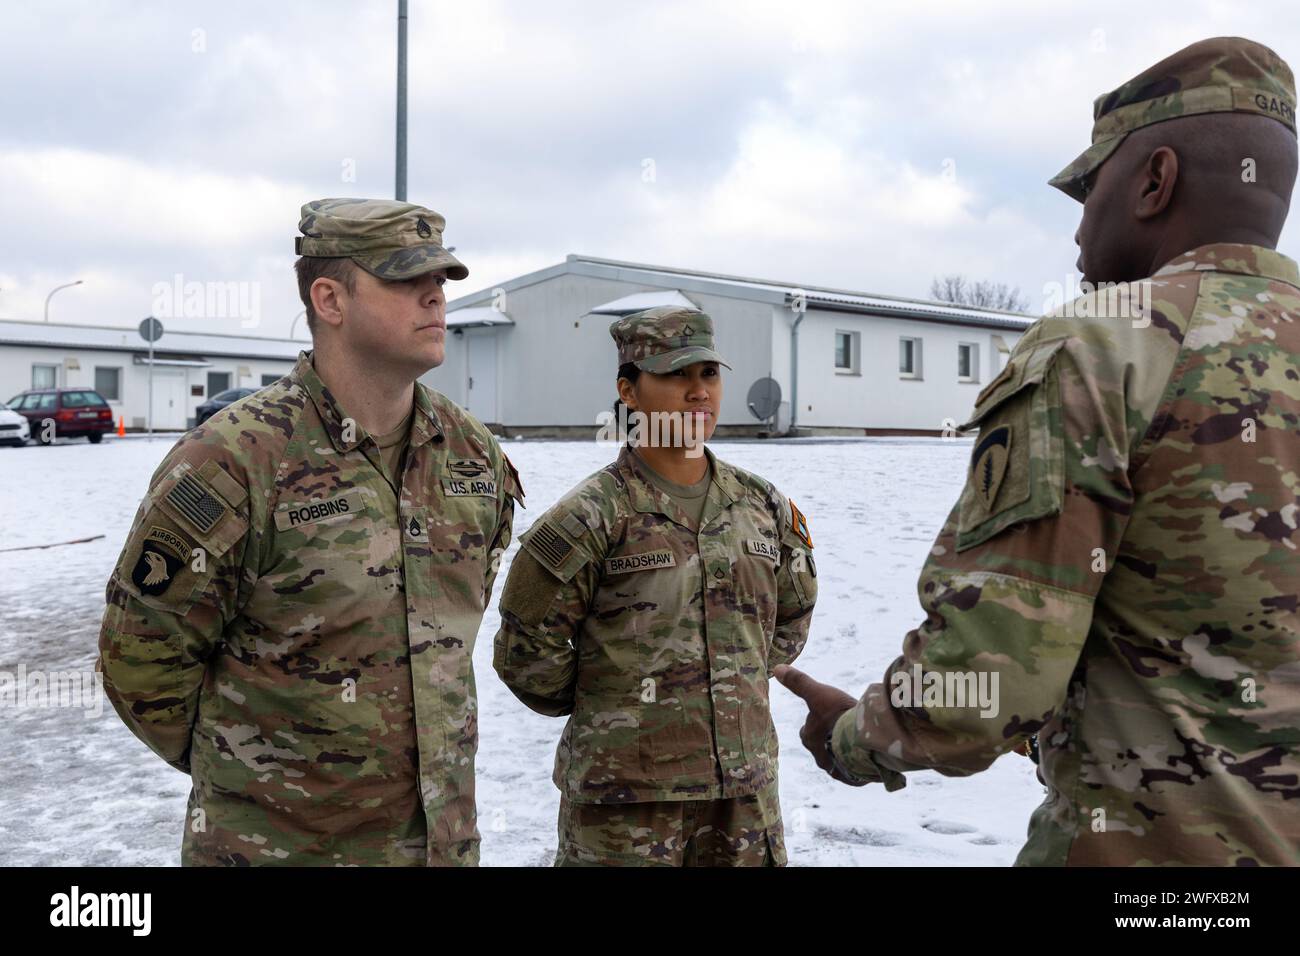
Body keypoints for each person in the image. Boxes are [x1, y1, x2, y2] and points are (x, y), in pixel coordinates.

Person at [777, 36, 1300, 866]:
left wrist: (851, 737)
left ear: (1155, 181)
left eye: (1090, 193)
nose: (1080, 228)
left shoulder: (1103, 347)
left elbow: (989, 679)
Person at [98, 198, 523, 866]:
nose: (436, 295)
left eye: (440, 280)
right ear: (330, 298)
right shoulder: (234, 461)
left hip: (440, 847)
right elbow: (141, 660)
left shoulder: (470, 455)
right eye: (406, 279)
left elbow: (454, 621)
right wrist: (252, 771)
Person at [493, 306, 816, 866]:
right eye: (675, 375)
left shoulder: (761, 506)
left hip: (742, 796)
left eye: (708, 375)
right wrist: (615, 706)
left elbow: (790, 617)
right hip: (626, 804)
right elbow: (528, 653)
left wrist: (729, 681)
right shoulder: (589, 516)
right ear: (629, 390)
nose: (698, 393)